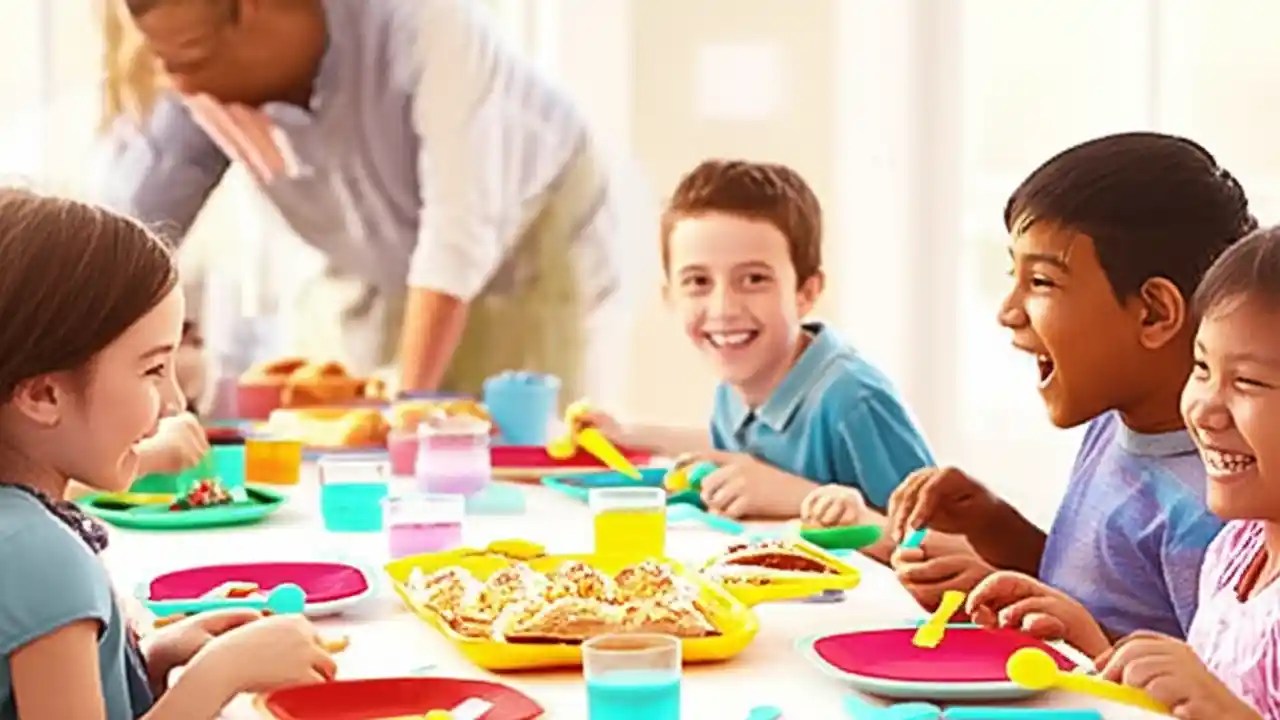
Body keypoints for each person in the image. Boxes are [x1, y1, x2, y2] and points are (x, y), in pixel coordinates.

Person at [96, 0, 629, 402]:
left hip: (521, 247)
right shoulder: (199, 83)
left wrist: (404, 412)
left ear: (255, 10)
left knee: (503, 437)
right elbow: (126, 231)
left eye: (191, 58)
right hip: (385, 261)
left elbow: (457, 234)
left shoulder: (425, 25)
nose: (181, 84)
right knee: (350, 427)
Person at [885, 132, 1257, 629]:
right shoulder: (1112, 424)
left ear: (1152, 312)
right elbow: (1096, 590)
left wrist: (1055, 623)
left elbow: (1216, 687)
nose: (1007, 311)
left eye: (1040, 282)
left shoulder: (1216, 503)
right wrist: (992, 525)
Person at [0, 189, 336, 719]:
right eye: (153, 370)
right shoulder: (38, 552)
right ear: (43, 395)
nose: (176, 403)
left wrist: (150, 659)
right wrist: (220, 673)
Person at [966, 226, 1280, 720]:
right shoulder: (1236, 551)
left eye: (1247, 381)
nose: (1204, 409)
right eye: (1201, 368)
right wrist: (1090, 645)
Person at [585, 160, 932, 554]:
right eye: (698, 281)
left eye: (754, 279)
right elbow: (744, 453)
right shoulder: (738, 385)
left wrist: (797, 497)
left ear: (806, 292)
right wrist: (629, 434)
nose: (723, 308)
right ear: (670, 296)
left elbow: (943, 550)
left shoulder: (854, 400)